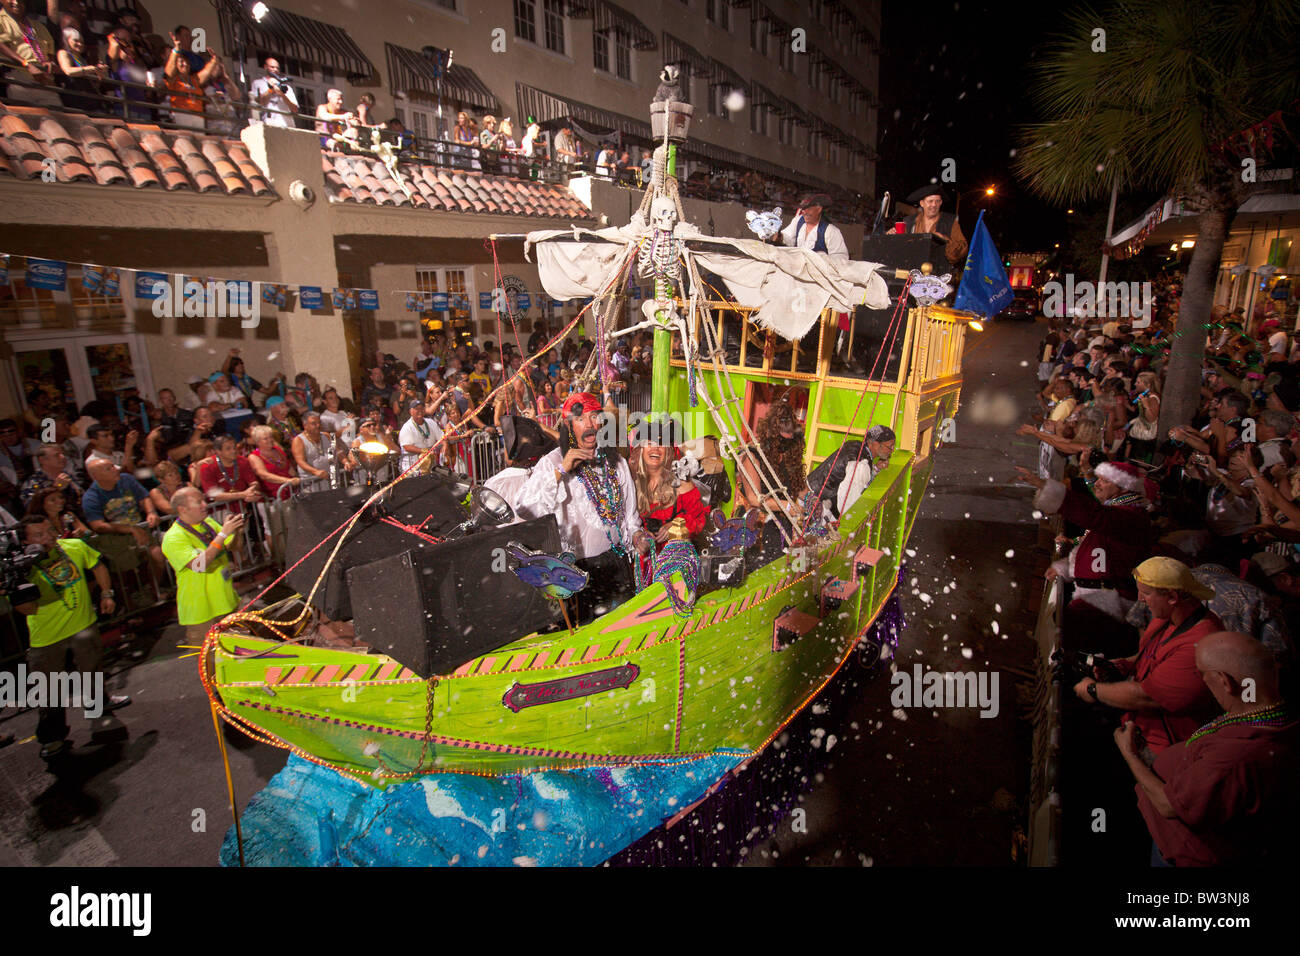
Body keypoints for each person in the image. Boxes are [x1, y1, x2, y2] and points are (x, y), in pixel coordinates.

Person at [1116, 631, 1299, 865]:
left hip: (1190, 855)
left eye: (1202, 673)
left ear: (1224, 681)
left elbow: (1169, 805)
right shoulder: (1266, 714)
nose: (1201, 681)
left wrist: (1130, 754)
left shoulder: (1236, 754)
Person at [514, 392, 650, 620]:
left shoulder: (617, 462)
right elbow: (526, 509)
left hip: (617, 564)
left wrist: (636, 536)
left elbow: (629, 515)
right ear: (568, 425)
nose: (589, 425)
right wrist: (561, 472)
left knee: (623, 632)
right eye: (580, 419)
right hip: (575, 573)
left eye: (594, 417)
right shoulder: (552, 463)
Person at [1074, 557, 1224, 758]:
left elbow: (1145, 696)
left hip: (1163, 748)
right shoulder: (1168, 617)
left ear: (1171, 597)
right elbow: (1152, 654)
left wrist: (1092, 689)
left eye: (1145, 593)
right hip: (1138, 725)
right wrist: (1125, 665)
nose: (1140, 599)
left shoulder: (1200, 644)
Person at [14, 515, 128, 760]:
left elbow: (98, 565)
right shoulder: (22, 568)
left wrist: (107, 594)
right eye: (38, 535)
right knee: (49, 691)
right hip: (47, 639)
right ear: (25, 541)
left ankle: (98, 708)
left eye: (49, 531)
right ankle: (53, 738)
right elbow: (27, 609)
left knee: (93, 673)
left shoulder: (73, 546)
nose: (47, 538)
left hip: (84, 627)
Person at [162, 486, 243, 646]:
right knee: (210, 664)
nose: (205, 505)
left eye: (204, 500)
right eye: (198, 502)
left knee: (239, 653)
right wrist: (224, 534)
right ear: (182, 509)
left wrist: (238, 530)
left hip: (227, 602)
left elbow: (233, 547)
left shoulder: (208, 523)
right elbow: (199, 565)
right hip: (202, 613)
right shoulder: (174, 538)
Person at [0, 0, 59, 106]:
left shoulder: (38, 26)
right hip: (18, 79)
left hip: (44, 82)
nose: (16, 2)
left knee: (57, 117)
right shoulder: (1, 21)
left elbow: (50, 51)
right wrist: (27, 65)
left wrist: (49, 63)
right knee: (27, 118)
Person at [903, 184, 969, 267]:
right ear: (922, 203)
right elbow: (901, 246)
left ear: (941, 202)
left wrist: (946, 241)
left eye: (937, 201)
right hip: (913, 271)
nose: (934, 205)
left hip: (939, 272)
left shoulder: (949, 222)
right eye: (930, 201)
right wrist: (891, 236)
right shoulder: (910, 222)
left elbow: (963, 248)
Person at [779, 193, 849, 260]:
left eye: (808, 209)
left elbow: (840, 258)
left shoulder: (831, 231)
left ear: (819, 209)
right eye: (803, 209)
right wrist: (779, 237)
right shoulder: (798, 221)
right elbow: (788, 238)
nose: (804, 212)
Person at [55, 26, 105, 112]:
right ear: (66, 40)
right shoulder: (63, 53)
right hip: (75, 98)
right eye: (76, 40)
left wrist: (99, 72)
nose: (80, 44)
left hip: (89, 99)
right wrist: (91, 69)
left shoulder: (82, 58)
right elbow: (68, 71)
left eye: (82, 42)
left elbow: (93, 82)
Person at [247, 425, 299, 500]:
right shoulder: (254, 456)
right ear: (257, 441)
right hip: (273, 498)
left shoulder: (278, 450)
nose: (270, 440)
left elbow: (290, 469)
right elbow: (264, 475)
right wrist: (288, 481)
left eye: (271, 437)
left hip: (291, 492)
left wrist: (297, 480)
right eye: (265, 438)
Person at [249, 56, 298, 127]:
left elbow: (295, 109)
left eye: (277, 68)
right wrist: (271, 89)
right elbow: (259, 104)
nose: (275, 69)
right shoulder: (258, 83)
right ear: (265, 67)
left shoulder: (287, 87)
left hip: (286, 125)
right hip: (267, 124)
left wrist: (281, 94)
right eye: (272, 67)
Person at [292, 411, 335, 492]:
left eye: (319, 422)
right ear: (305, 425)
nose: (318, 425)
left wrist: (346, 461)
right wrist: (316, 472)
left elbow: (338, 451)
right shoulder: (298, 440)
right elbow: (300, 461)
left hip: (329, 480)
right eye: (313, 423)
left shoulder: (326, 435)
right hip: (311, 484)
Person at [25, 485, 91, 538]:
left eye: (61, 497)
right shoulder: (39, 523)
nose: (60, 501)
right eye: (52, 500)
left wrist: (82, 533)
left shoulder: (67, 516)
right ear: (41, 504)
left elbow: (88, 532)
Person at [398, 398, 442, 473]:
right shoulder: (407, 427)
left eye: (422, 408)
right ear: (410, 411)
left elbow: (442, 437)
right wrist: (423, 451)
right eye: (417, 409)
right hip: (412, 468)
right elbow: (406, 446)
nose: (420, 411)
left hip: (430, 466)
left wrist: (445, 445)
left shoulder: (431, 422)